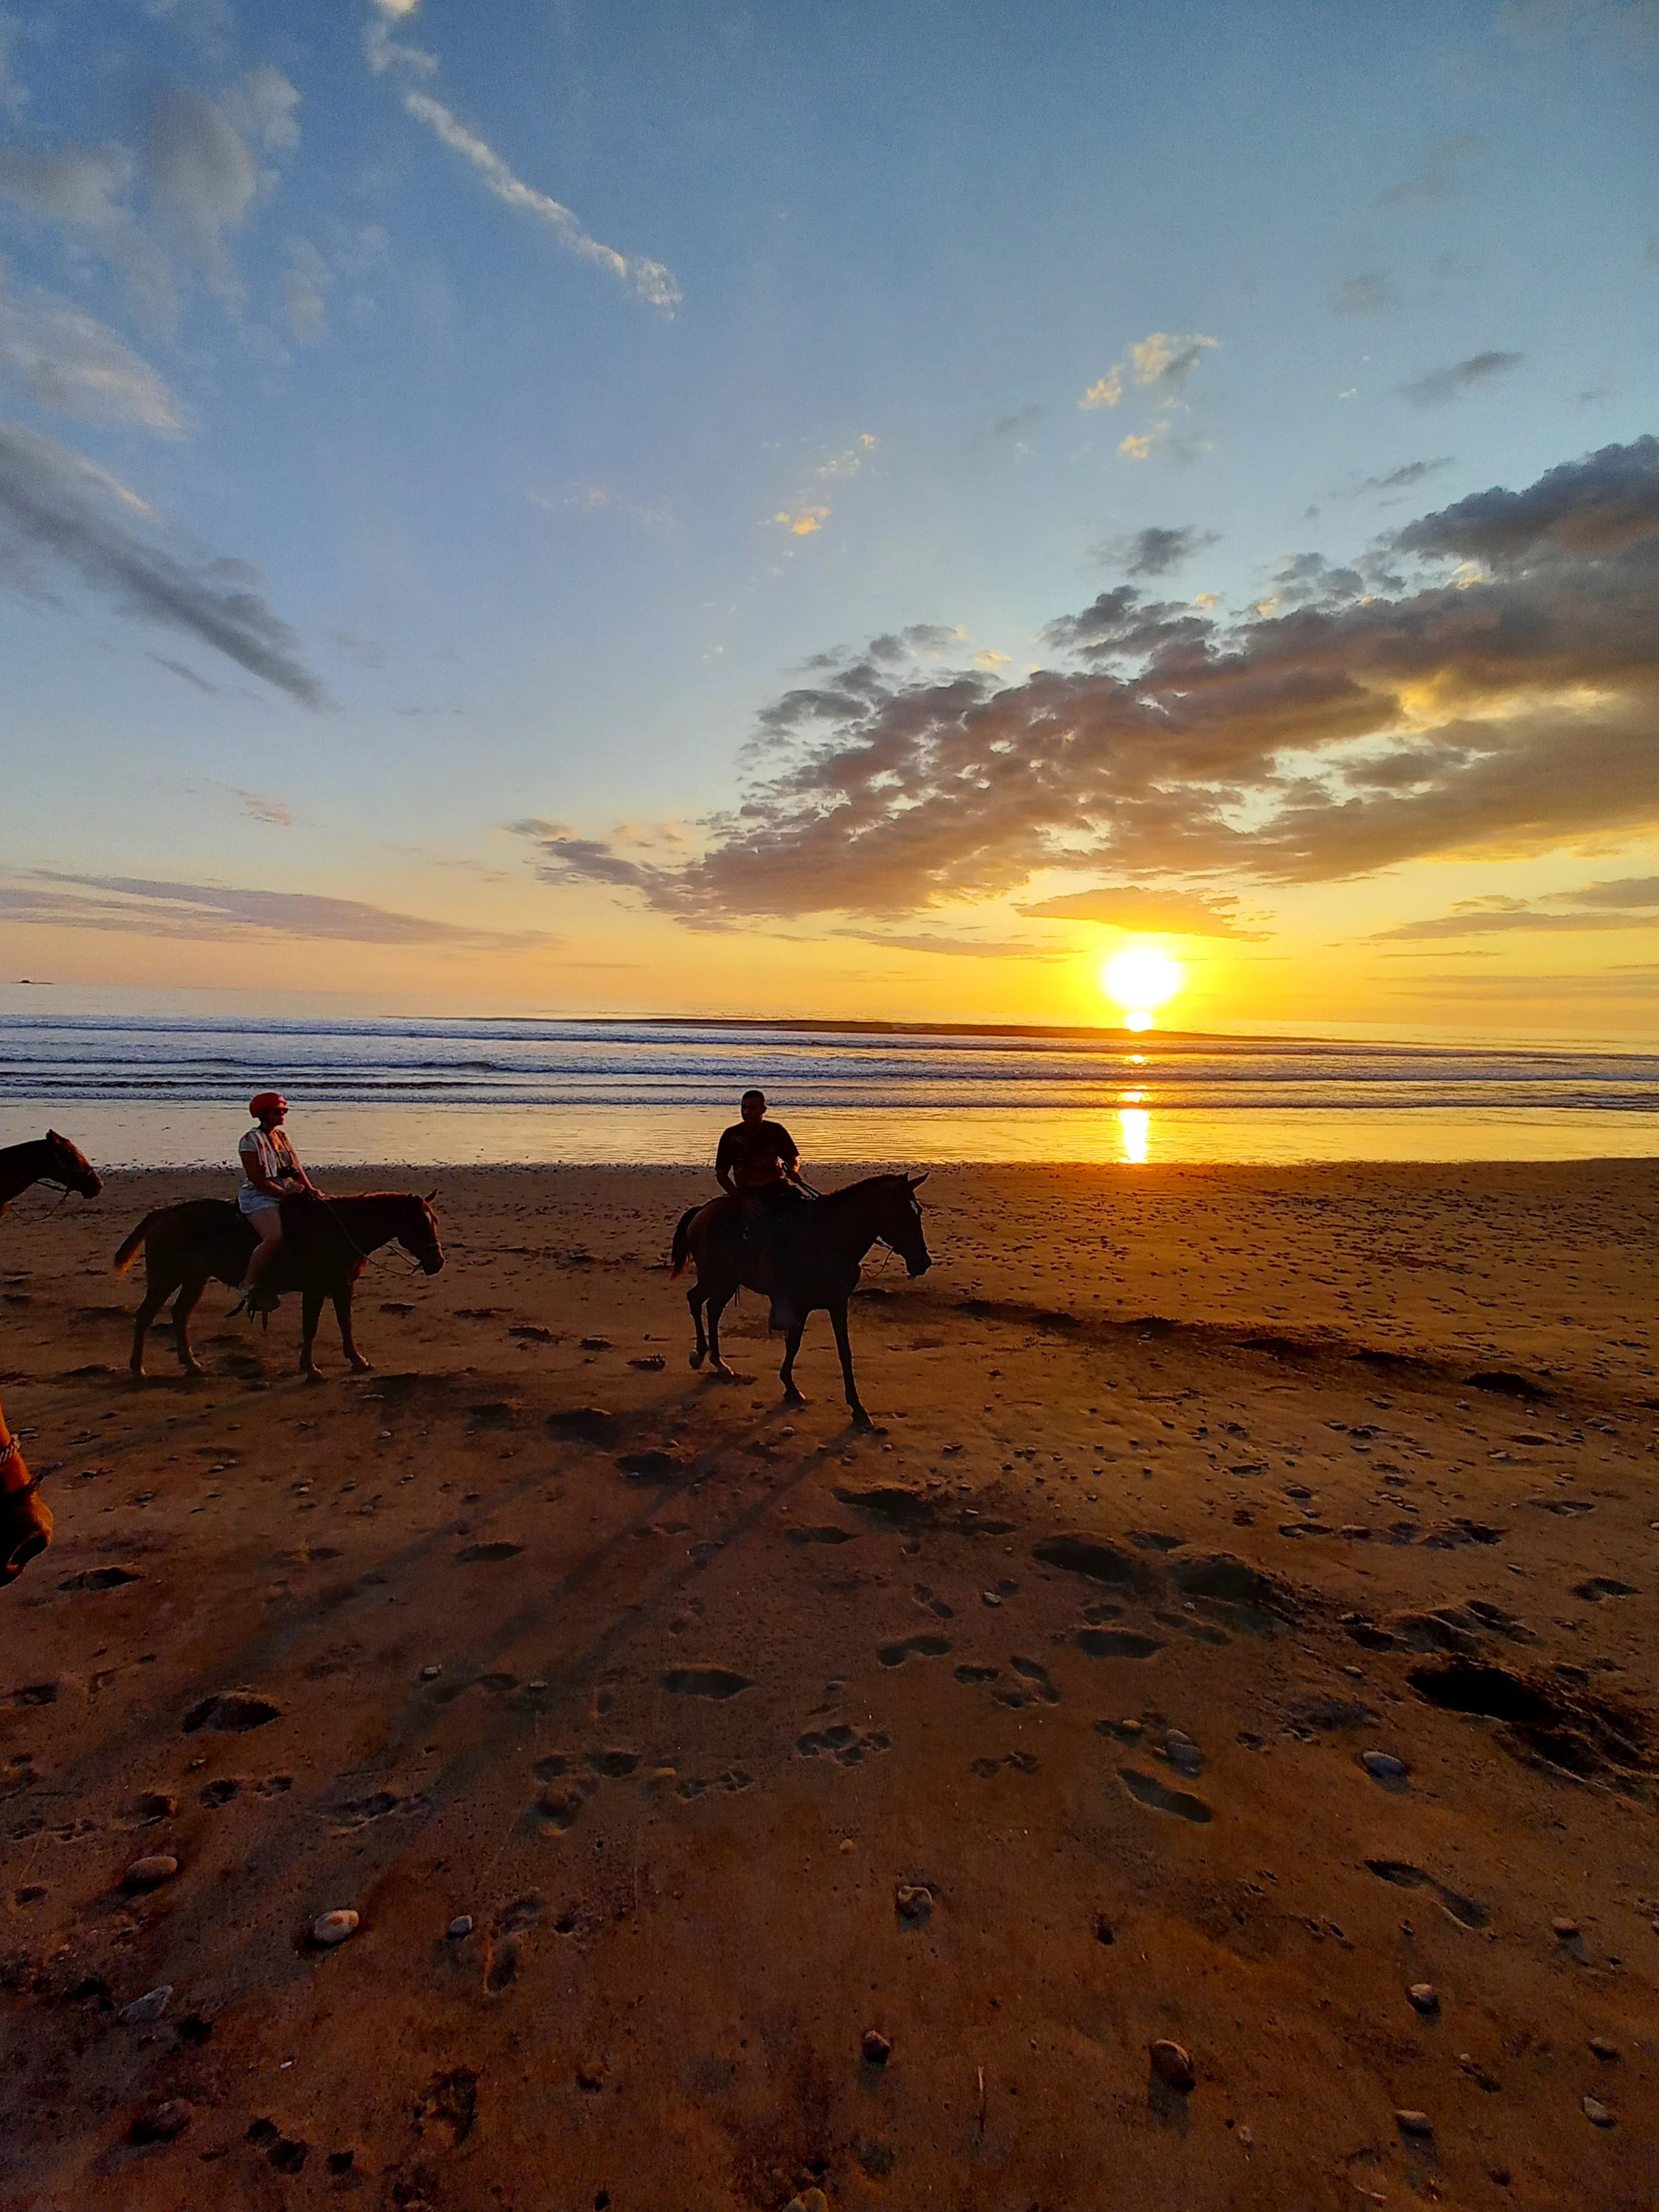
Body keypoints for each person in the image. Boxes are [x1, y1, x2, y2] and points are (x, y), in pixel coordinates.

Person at [714, 1089, 805, 1329]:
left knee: (808, 1219)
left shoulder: (776, 1131)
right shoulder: (731, 1136)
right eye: (744, 1107)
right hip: (749, 1194)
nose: (747, 1112)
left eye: (753, 1108)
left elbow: (793, 1158)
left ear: (763, 1110)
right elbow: (721, 1174)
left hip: (779, 1189)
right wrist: (739, 1199)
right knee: (766, 1236)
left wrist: (793, 1169)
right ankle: (779, 1299)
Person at [234, 1092, 320, 1310]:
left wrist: (310, 1189)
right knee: (274, 1237)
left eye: (284, 1110)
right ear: (264, 1114)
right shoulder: (249, 1141)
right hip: (260, 1195)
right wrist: (283, 1194)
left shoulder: (282, 1138)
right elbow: (256, 1178)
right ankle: (248, 1284)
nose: (282, 1114)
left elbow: (296, 1168)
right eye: (277, 1111)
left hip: (287, 1189)